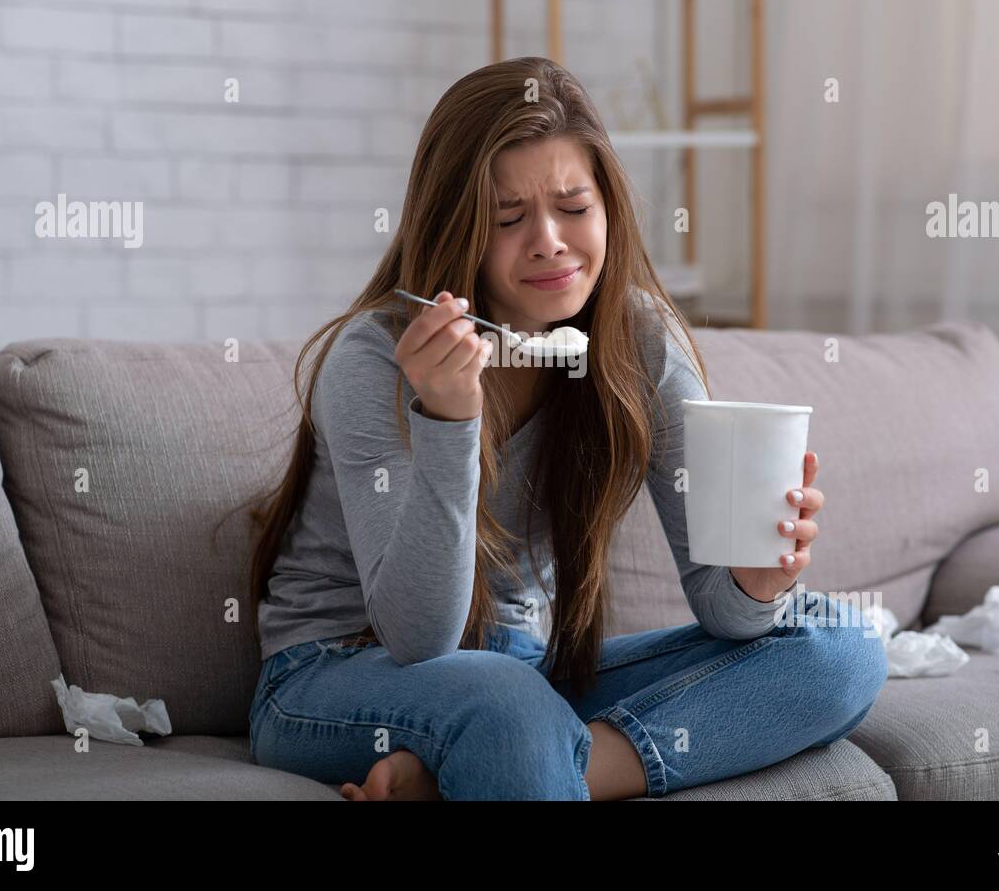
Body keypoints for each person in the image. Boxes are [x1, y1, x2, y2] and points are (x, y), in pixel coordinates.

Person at [244, 56, 887, 800]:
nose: (549, 240)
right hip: (332, 675)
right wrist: (450, 421)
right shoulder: (376, 357)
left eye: (573, 207)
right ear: (459, 228)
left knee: (838, 643)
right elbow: (420, 640)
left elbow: (724, 611)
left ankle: (521, 765)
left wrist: (756, 582)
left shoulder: (640, 342)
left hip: (517, 668)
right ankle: (502, 749)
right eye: (509, 219)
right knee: (509, 708)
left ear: (608, 207)